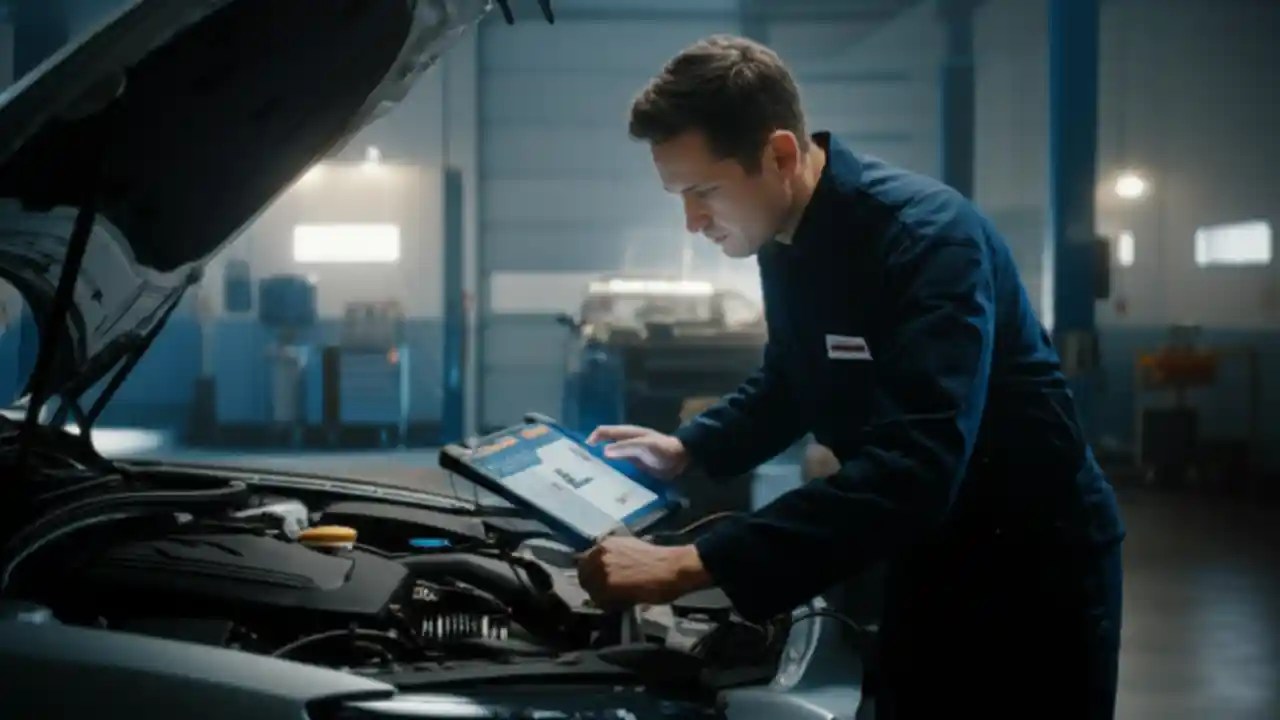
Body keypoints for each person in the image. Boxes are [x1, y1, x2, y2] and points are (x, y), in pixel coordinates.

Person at [574, 35, 1126, 719]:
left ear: (779, 155)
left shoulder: (926, 240)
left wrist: (691, 564)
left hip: (1035, 564)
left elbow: (917, 467)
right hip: (931, 547)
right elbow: (791, 380)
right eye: (678, 197)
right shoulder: (785, 237)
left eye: (703, 191)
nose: (692, 223)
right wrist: (690, 448)